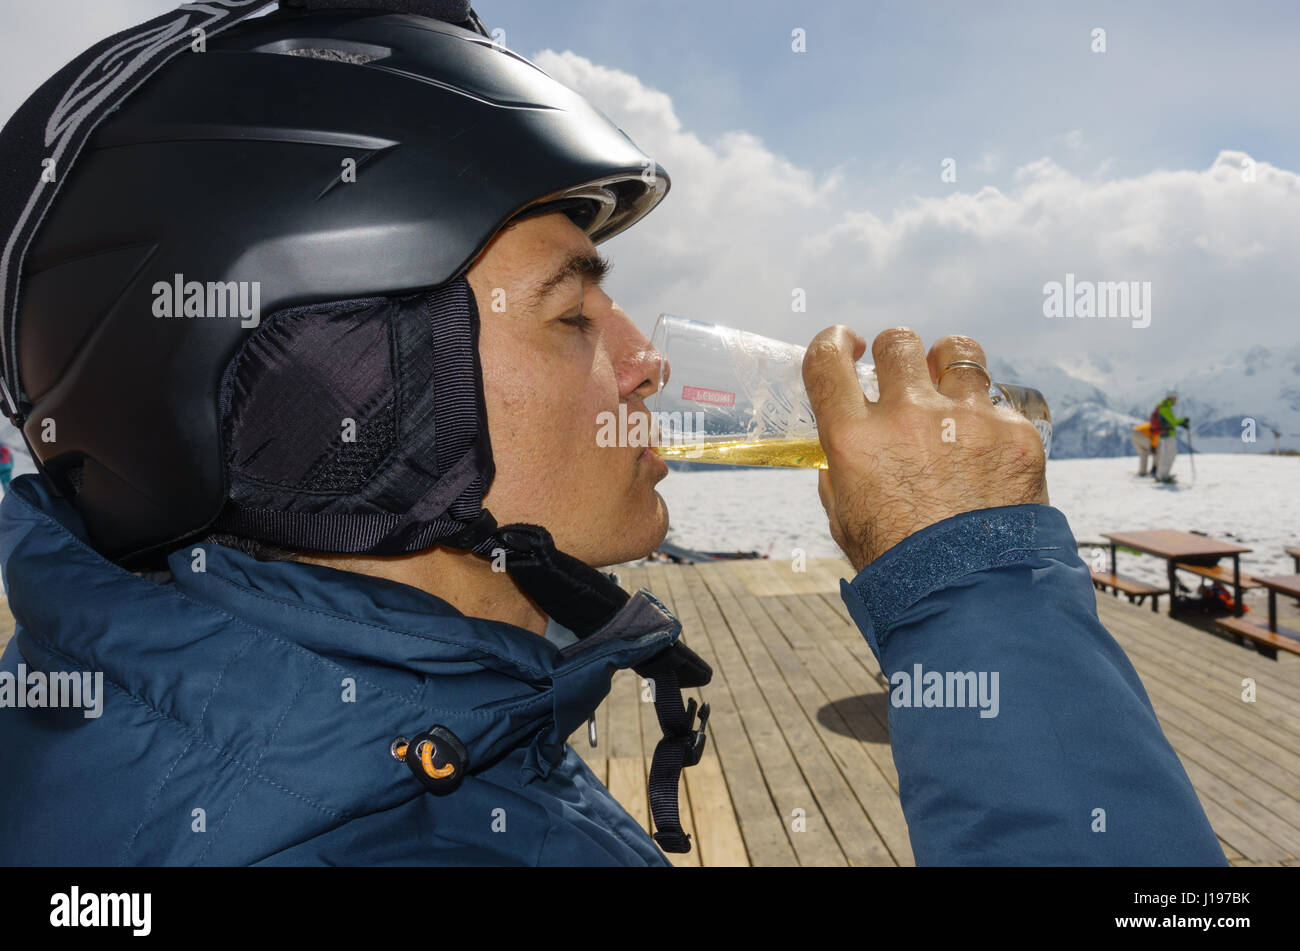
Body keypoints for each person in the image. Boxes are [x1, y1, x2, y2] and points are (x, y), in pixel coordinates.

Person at [0, 0, 1225, 866]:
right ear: (343, 406)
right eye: (573, 309)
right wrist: (975, 583)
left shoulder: (382, 729)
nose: (646, 358)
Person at [1152, 391, 1190, 483]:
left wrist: (1181, 423)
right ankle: (1163, 476)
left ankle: (1162, 475)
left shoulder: (1164, 407)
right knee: (1169, 455)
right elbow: (1172, 421)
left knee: (1167, 454)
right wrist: (1183, 421)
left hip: (1165, 434)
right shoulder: (1165, 408)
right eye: (1175, 398)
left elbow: (1170, 421)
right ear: (1171, 398)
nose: (1176, 400)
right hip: (1167, 434)